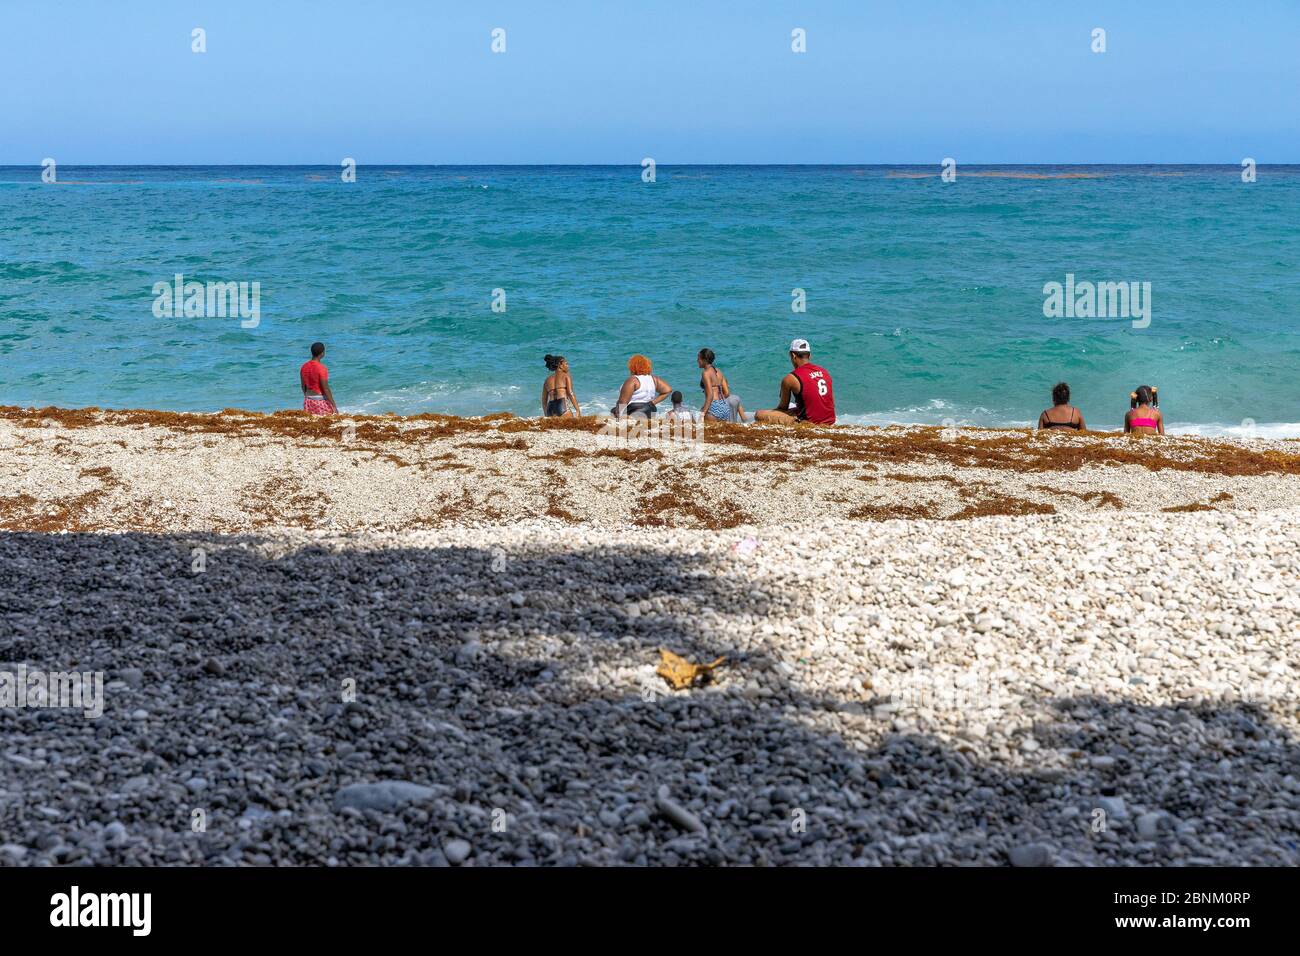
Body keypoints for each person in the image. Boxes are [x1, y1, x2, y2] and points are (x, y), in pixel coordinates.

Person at [753, 338, 836, 425]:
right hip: (830, 420)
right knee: (795, 407)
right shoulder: (824, 371)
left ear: (793, 355)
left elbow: (783, 407)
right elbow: (831, 403)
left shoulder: (790, 378)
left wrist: (772, 412)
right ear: (810, 355)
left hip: (809, 422)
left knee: (759, 414)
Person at [697, 348, 735, 422]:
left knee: (696, 423)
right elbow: (727, 393)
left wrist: (702, 414)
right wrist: (719, 404)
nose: (697, 360)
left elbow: (710, 395)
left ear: (705, 360)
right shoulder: (719, 371)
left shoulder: (706, 373)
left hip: (714, 407)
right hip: (725, 407)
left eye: (699, 358)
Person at [300, 342, 337, 416]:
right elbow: (326, 389)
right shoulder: (322, 368)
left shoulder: (304, 367)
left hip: (308, 402)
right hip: (320, 403)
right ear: (322, 353)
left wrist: (308, 397)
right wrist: (334, 405)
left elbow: (303, 387)